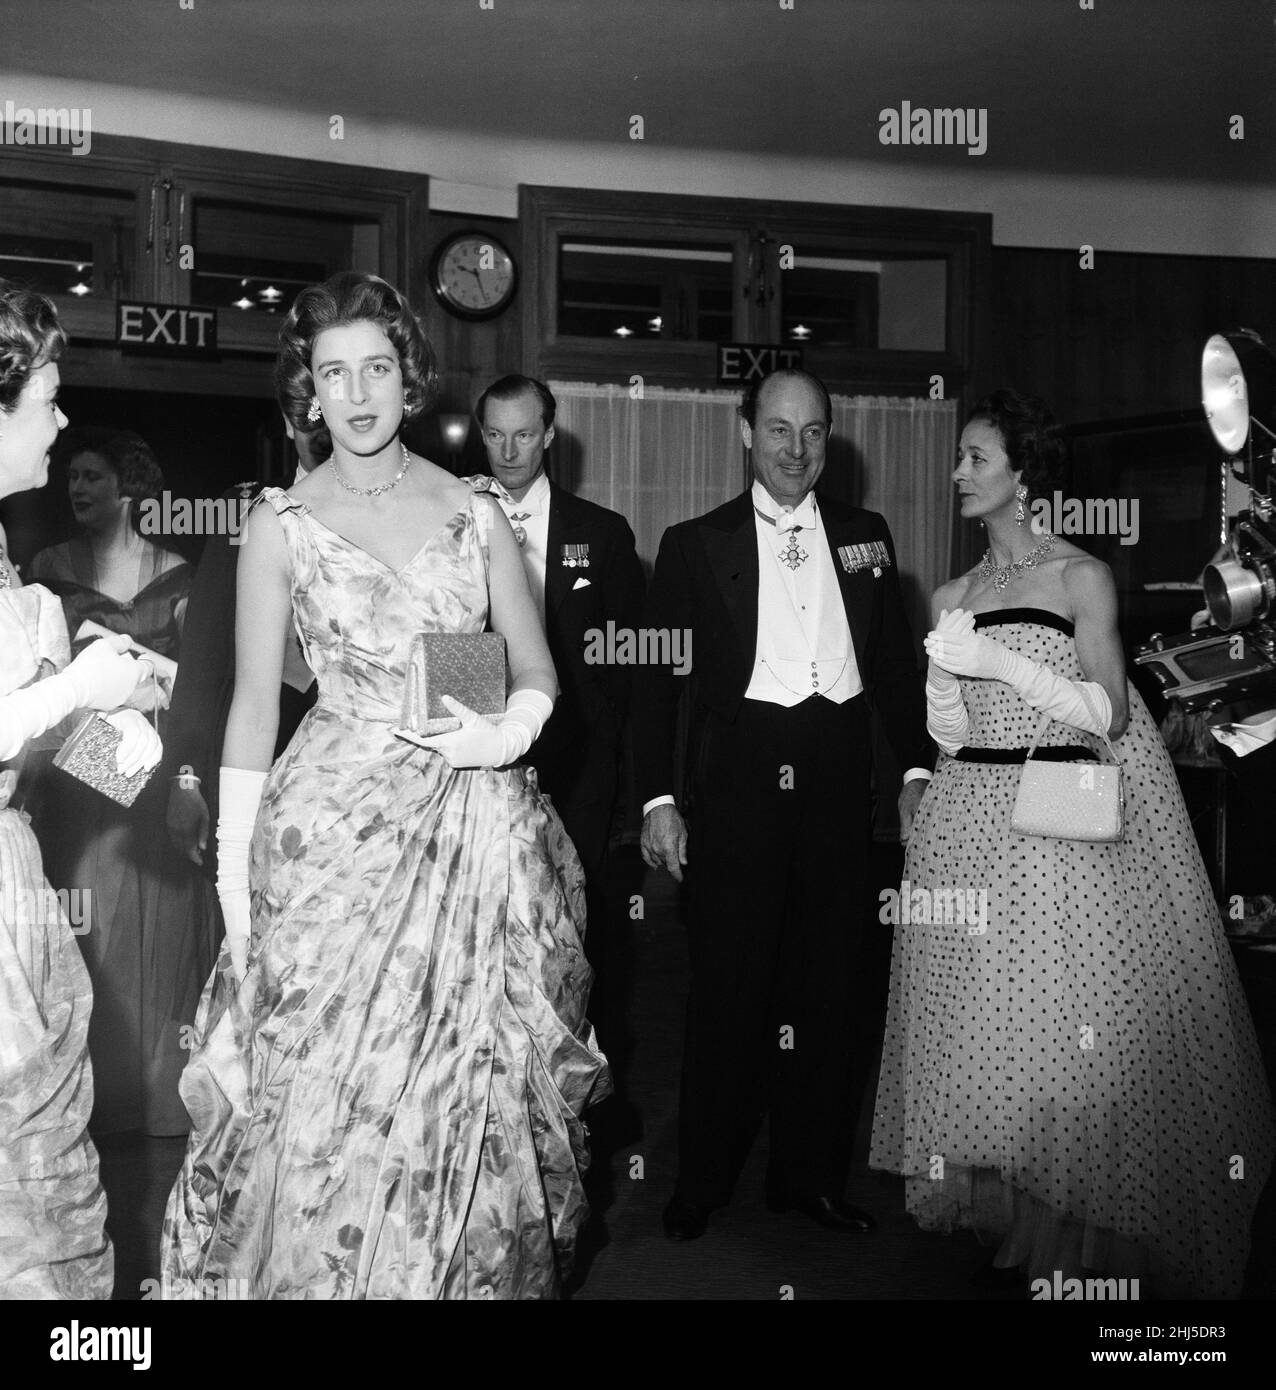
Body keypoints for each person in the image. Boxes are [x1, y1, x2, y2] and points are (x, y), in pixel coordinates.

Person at [161, 272, 609, 1300]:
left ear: (410, 379)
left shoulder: (476, 511)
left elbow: (530, 669)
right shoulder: (279, 523)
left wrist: (509, 735)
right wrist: (237, 884)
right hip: (329, 836)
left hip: (468, 830)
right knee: (324, 1092)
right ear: (307, 393)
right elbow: (251, 710)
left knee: (461, 1090)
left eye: (376, 367)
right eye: (332, 372)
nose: (357, 392)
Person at [869, 388, 1275, 1298]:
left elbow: (1111, 710)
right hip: (967, 830)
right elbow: (946, 728)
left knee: (1069, 1041)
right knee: (981, 1037)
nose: (958, 474)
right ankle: (1015, 1228)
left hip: (1062, 822)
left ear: (1024, 473)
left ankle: (1078, 1243)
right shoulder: (952, 593)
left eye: (976, 457)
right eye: (961, 458)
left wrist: (1001, 661)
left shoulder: (1079, 577)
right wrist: (930, 746)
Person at [633, 367, 934, 1241]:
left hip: (840, 782)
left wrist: (915, 773)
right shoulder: (694, 544)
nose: (797, 451)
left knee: (831, 990)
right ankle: (704, 1179)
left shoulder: (867, 536)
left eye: (813, 433)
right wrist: (658, 798)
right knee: (729, 988)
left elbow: (892, 675)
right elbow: (656, 687)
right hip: (739, 782)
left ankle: (809, 1179)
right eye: (778, 431)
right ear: (744, 431)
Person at [0, 281, 160, 1297]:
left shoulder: (9, 551)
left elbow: (51, 745)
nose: (63, 422)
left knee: (38, 1159)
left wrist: (140, 750)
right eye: (49, 399)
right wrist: (77, 685)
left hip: (17, 879)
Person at [27, 429, 213, 1136]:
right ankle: (88, 1112)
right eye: (71, 476)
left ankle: (159, 1109)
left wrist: (178, 772)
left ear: (129, 488)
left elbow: (197, 692)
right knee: (91, 938)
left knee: (158, 940)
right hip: (75, 778)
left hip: (157, 775)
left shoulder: (179, 573)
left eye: (93, 477)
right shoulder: (47, 567)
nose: (77, 489)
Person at [469, 375, 645, 1123]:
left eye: (524, 434)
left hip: (577, 772)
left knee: (583, 941)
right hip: (483, 767)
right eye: (495, 435)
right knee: (491, 941)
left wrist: (639, 791)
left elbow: (633, 674)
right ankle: (501, 1108)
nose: (510, 451)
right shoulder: (457, 521)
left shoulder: (601, 535)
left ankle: (591, 1103)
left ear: (549, 434)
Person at [164, 416, 330, 877]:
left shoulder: (423, 510)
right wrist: (185, 774)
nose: (320, 429)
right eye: (305, 414)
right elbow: (203, 653)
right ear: (285, 422)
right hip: (261, 748)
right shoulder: (243, 508)